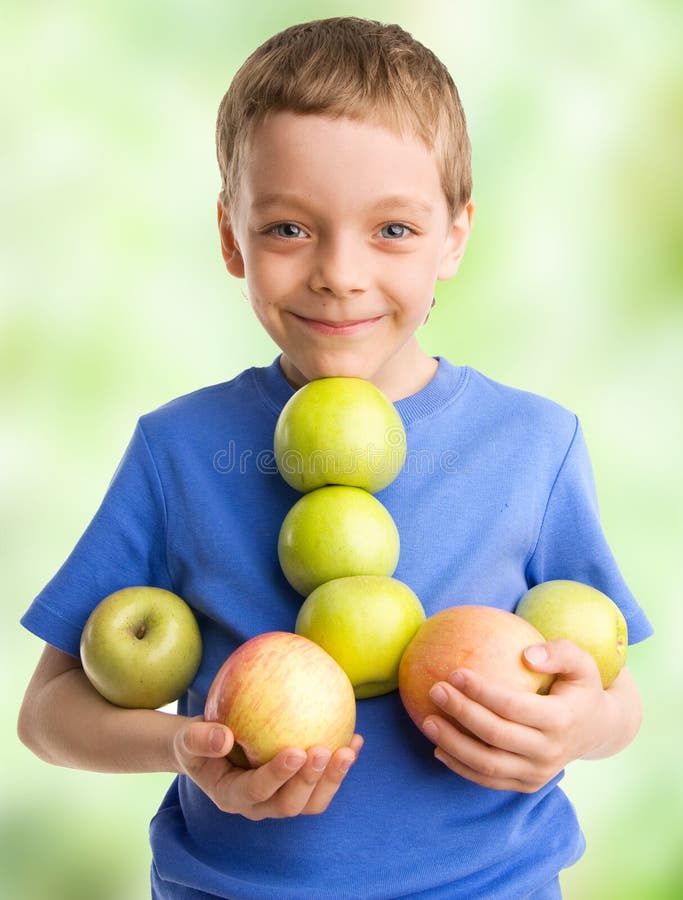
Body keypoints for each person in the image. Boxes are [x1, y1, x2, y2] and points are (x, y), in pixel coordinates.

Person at [17, 16, 652, 899]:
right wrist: (185, 749)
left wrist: (579, 727)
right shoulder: (182, 449)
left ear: (455, 238)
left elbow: (619, 698)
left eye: (392, 230)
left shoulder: (533, 444)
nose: (339, 274)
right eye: (287, 229)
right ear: (231, 237)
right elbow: (47, 716)